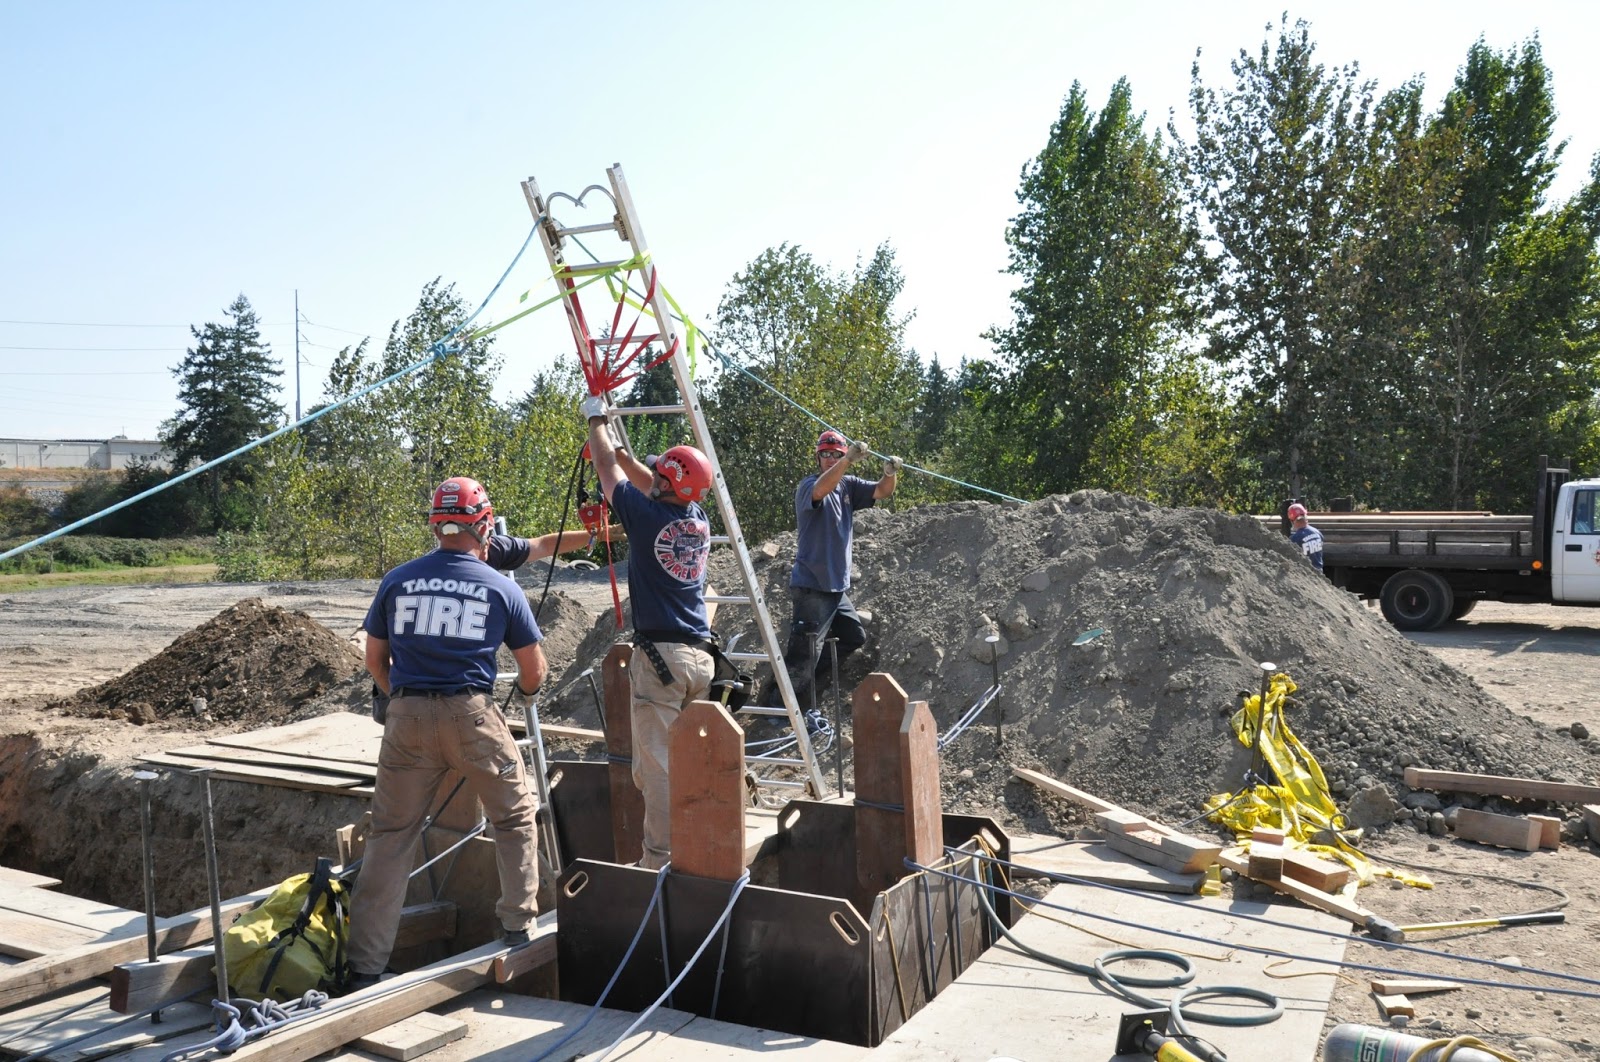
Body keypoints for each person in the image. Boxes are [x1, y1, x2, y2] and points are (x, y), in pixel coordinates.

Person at [347, 476, 547, 990]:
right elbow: (534, 671)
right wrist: (521, 696)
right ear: (484, 523)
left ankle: (364, 967)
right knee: (515, 816)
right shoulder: (501, 586)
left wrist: (402, 700)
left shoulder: (398, 579)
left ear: (436, 524)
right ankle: (516, 926)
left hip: (406, 717)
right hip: (473, 717)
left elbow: (374, 657)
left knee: (390, 838)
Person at [583, 396, 715, 870]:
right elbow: (641, 477)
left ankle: (659, 862)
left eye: (660, 475)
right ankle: (702, 844)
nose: (652, 477)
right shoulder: (695, 518)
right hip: (699, 658)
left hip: (661, 660)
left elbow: (605, 469)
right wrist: (626, 454)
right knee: (691, 761)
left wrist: (596, 420)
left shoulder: (644, 518)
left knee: (657, 768)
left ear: (667, 485)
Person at [771, 429, 900, 713]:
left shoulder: (849, 486)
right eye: (826, 455)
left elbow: (882, 491)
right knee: (801, 657)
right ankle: (779, 712)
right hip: (812, 586)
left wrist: (889, 473)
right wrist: (848, 461)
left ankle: (809, 688)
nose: (830, 459)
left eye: (836, 455)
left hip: (835, 588)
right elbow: (821, 489)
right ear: (818, 458)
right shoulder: (808, 486)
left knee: (853, 637)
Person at [1287, 502, 1325, 573]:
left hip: (1306, 576)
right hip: (1320, 574)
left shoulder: (1295, 539)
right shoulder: (1317, 533)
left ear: (1292, 520)